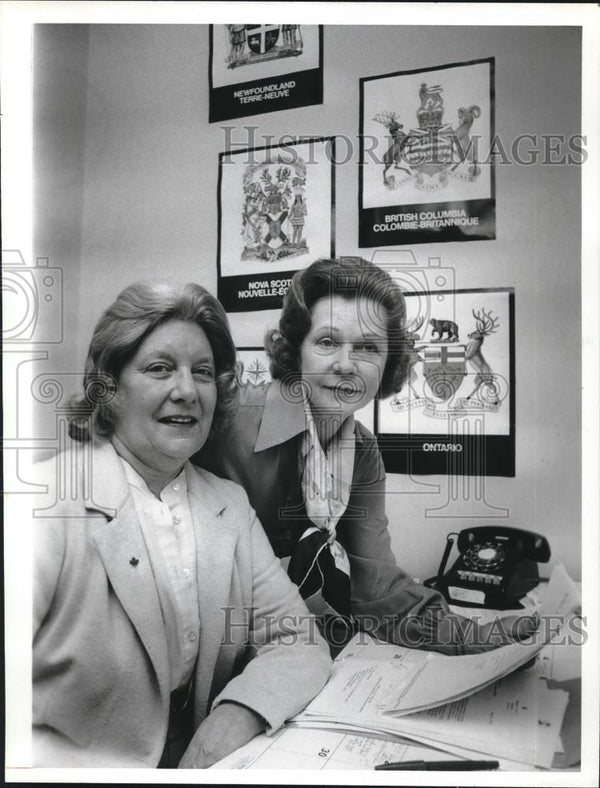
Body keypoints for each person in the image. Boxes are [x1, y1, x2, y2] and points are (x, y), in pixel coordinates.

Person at [32, 281, 331, 768]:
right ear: (109, 388)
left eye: (204, 373)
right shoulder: (41, 504)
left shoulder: (229, 505)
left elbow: (298, 640)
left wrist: (233, 717)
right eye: (160, 369)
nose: (188, 391)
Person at [196, 258, 537, 655]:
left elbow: (375, 586)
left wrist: (474, 635)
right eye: (327, 342)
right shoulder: (227, 420)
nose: (346, 364)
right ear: (295, 350)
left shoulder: (363, 451)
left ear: (389, 363)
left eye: (367, 347)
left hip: (301, 651)